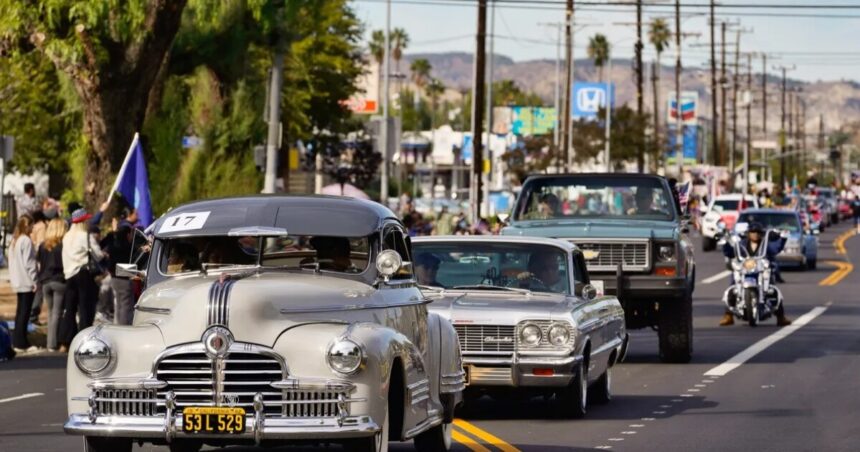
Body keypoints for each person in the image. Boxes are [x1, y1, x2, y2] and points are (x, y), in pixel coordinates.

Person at [720, 222, 792, 327]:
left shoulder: (765, 244)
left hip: (761, 272)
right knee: (733, 286)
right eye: (753, 232)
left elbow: (775, 248)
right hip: (745, 272)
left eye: (758, 232)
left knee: (772, 290)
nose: (755, 234)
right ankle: (728, 315)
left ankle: (781, 317)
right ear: (748, 233)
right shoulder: (742, 244)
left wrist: (783, 239)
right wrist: (725, 244)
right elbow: (731, 252)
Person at [58, 209, 105, 348]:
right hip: (83, 273)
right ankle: (83, 338)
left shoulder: (66, 236)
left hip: (69, 275)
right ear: (83, 222)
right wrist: (104, 255)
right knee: (85, 308)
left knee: (70, 308)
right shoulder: (84, 236)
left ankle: (65, 340)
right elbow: (98, 254)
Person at [9, 215, 40, 353]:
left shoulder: (14, 240)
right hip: (26, 281)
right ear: (27, 226)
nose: (33, 228)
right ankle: (21, 342)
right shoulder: (26, 241)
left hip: (17, 280)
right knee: (25, 313)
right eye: (32, 225)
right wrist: (35, 279)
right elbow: (30, 263)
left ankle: (18, 340)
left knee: (20, 312)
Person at [37, 218, 67, 352]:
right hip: (59, 280)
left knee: (50, 313)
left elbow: (40, 264)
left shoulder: (43, 245)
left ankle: (50, 341)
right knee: (57, 313)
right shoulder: (62, 246)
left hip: (45, 281)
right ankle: (53, 343)